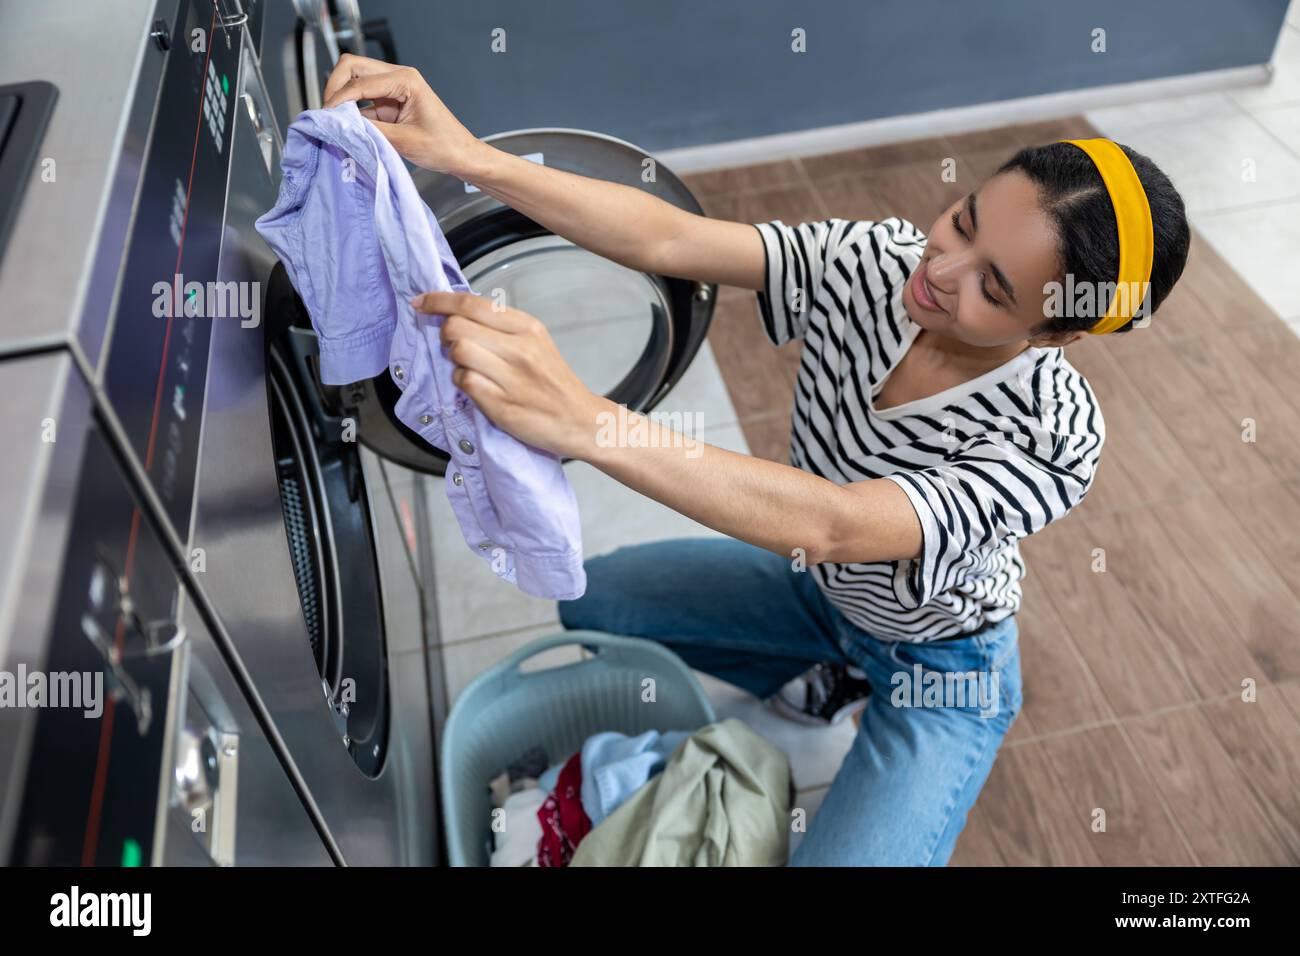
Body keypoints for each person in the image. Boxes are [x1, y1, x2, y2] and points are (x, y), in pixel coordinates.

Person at [322, 55, 1191, 866]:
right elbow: (669, 240)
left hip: (939, 665)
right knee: (594, 601)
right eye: (960, 221)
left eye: (992, 286)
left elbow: (839, 523)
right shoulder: (876, 264)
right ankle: (830, 669)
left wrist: (587, 420)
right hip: (817, 591)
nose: (939, 269)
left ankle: (855, 682)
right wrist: (475, 158)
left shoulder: (1053, 433)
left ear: (1060, 330)